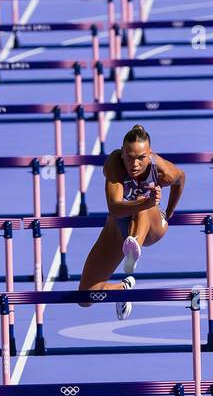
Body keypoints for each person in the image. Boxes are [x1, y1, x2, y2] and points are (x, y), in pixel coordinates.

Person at [78, 125, 186, 320]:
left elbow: (181, 179)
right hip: (120, 222)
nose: (134, 164)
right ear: (122, 154)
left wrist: (168, 212)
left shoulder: (162, 171)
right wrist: (146, 200)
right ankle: (121, 289)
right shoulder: (114, 163)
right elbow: (114, 207)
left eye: (141, 158)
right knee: (86, 296)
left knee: (142, 210)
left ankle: (133, 249)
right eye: (129, 157)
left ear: (150, 154)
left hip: (152, 224)